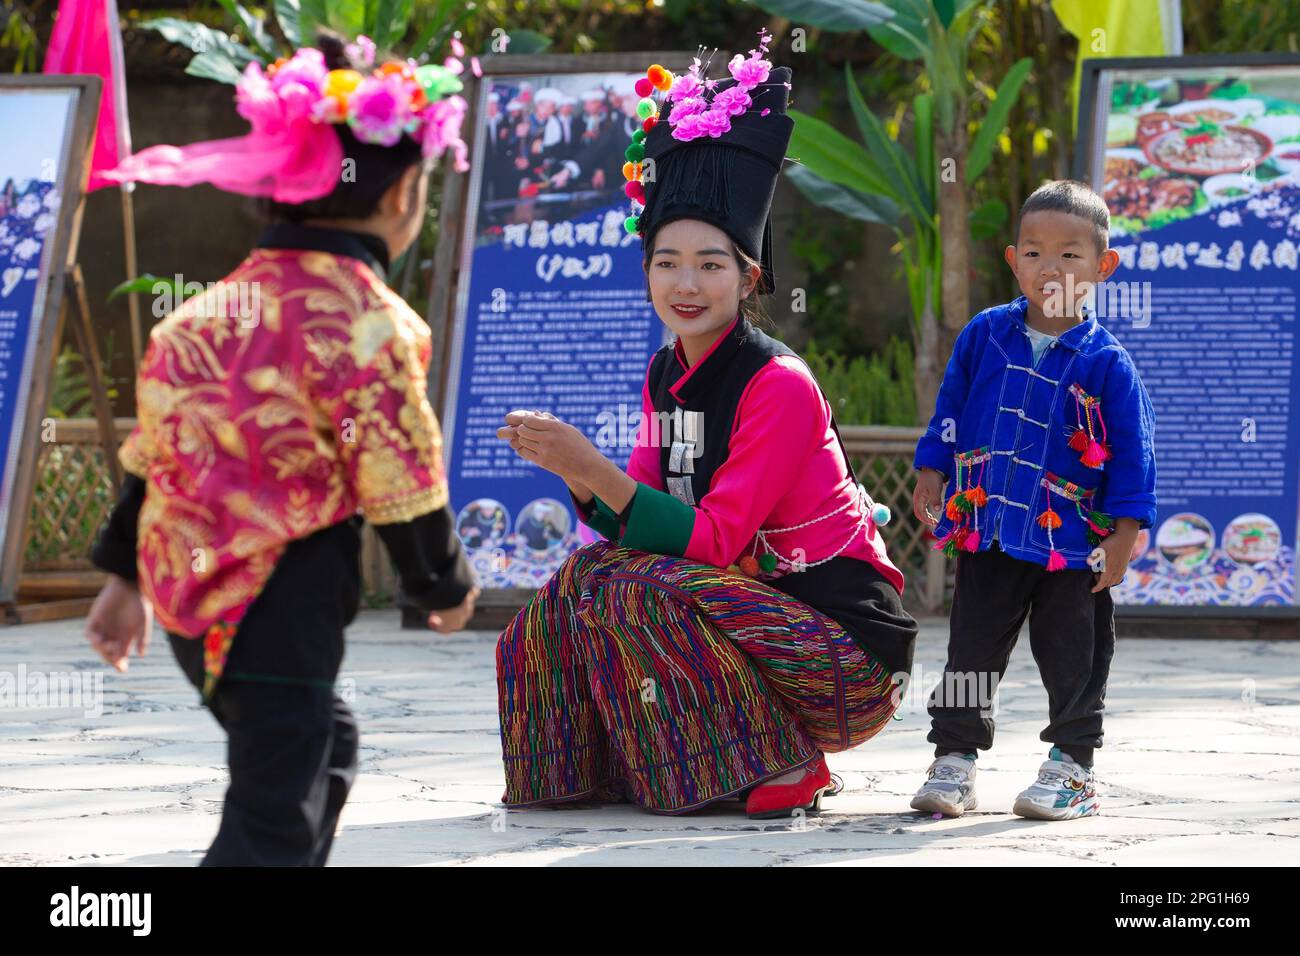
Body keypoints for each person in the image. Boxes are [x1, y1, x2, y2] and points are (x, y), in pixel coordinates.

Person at [493, 34, 918, 819]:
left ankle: (784, 766)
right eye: (667, 262)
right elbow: (641, 516)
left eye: (711, 264)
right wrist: (572, 468)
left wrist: (590, 463)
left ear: (749, 276)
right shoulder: (667, 375)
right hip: (746, 630)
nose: (686, 283)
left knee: (631, 593)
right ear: (646, 267)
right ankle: (574, 772)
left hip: (842, 656)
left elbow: (716, 543)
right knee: (578, 585)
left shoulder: (777, 382)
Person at [84, 31, 480, 865]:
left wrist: (122, 582)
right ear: (404, 191)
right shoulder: (366, 320)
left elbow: (151, 458)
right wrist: (439, 583)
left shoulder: (200, 315)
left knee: (317, 746)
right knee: (276, 803)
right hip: (278, 595)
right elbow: (397, 467)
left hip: (189, 591)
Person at [909, 180, 1157, 821]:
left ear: (1103, 267)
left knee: (1074, 654)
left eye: (1070, 255)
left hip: (1073, 547)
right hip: (988, 531)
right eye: (1036, 253)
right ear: (1013, 259)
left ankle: (1073, 767)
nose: (1052, 268)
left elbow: (1134, 455)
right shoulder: (984, 336)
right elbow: (951, 410)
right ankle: (954, 759)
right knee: (971, 650)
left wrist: (1124, 536)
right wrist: (932, 469)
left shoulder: (1108, 362)